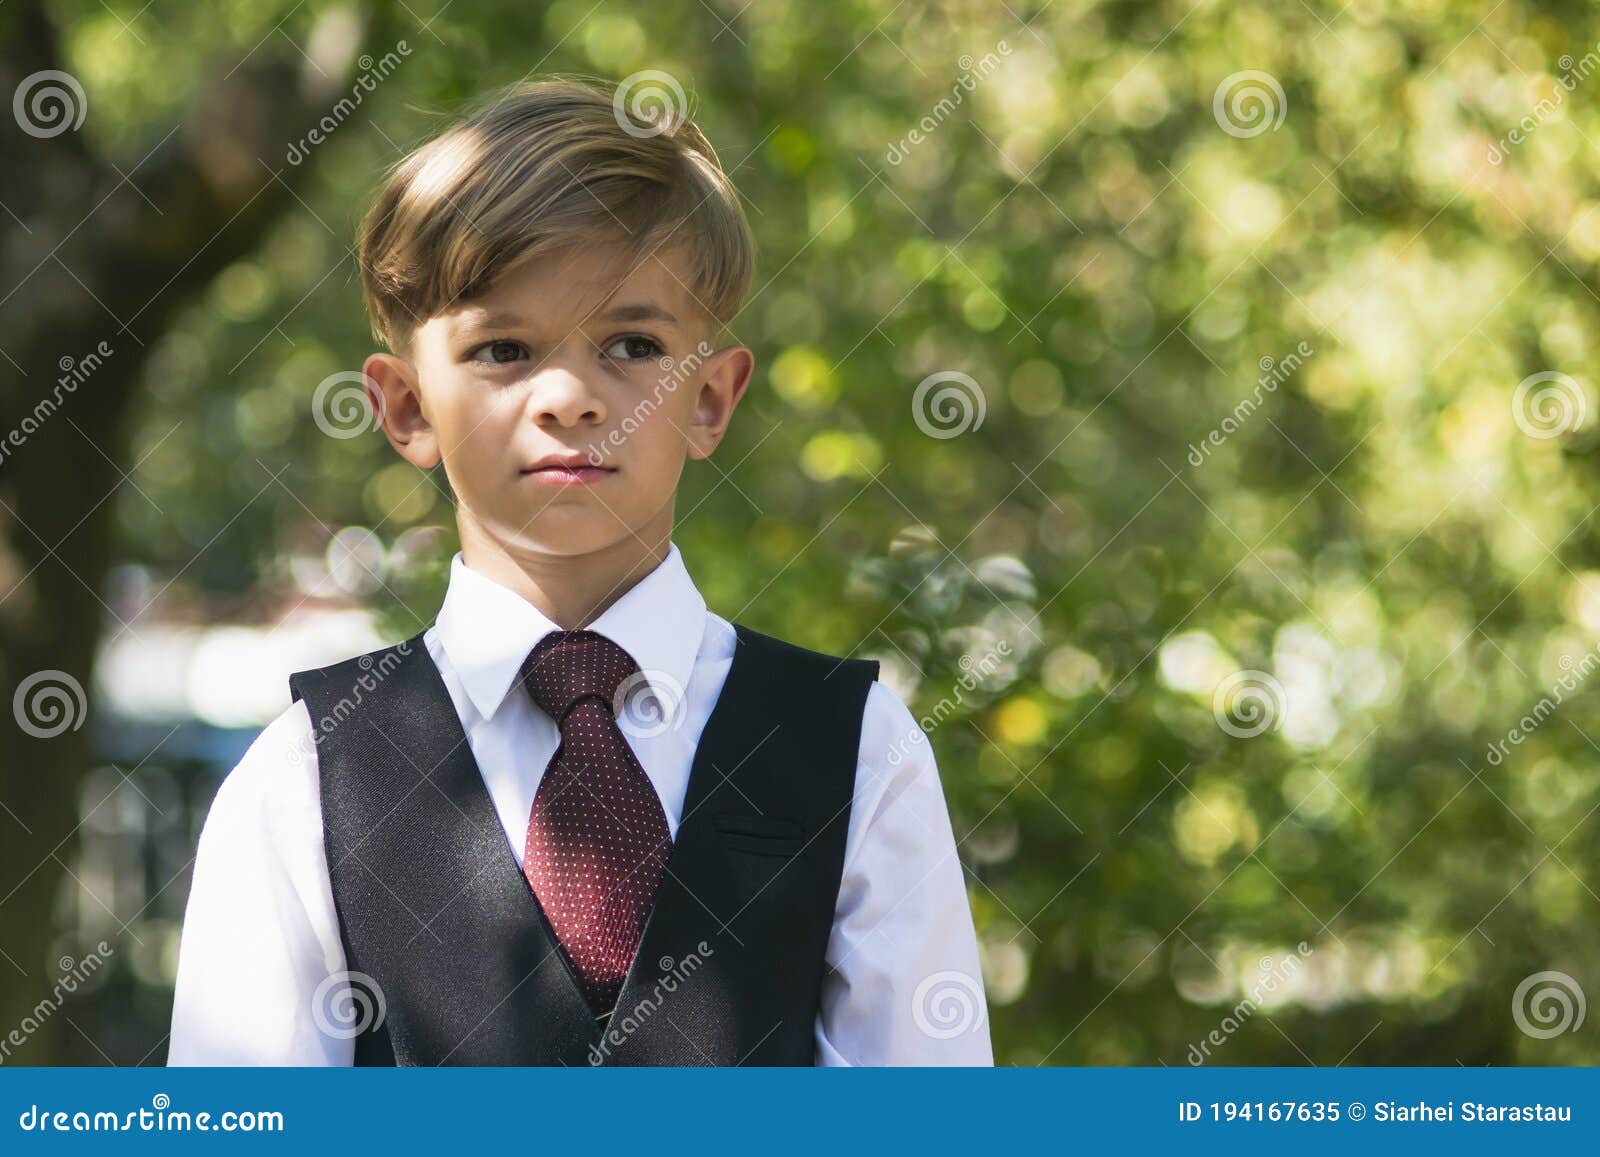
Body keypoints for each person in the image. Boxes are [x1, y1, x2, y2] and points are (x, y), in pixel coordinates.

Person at [168, 75, 991, 1066]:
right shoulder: (302, 779)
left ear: (710, 398)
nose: (569, 396)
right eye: (504, 348)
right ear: (406, 407)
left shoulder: (859, 753)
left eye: (632, 344)